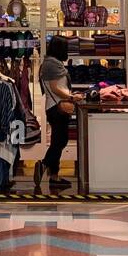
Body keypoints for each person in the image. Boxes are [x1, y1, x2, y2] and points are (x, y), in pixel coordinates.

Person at [34, 36, 77, 194]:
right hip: (57, 107)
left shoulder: (51, 63)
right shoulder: (52, 64)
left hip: (54, 107)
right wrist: (71, 97)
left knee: (57, 141)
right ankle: (44, 164)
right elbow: (54, 88)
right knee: (60, 141)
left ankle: (54, 176)